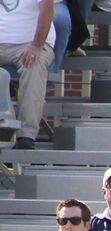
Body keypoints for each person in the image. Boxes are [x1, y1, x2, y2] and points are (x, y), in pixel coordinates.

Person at [0, 0, 51, 150]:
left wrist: (36, 46)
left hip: (30, 43)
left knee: (34, 63)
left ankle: (26, 135)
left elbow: (47, 7)